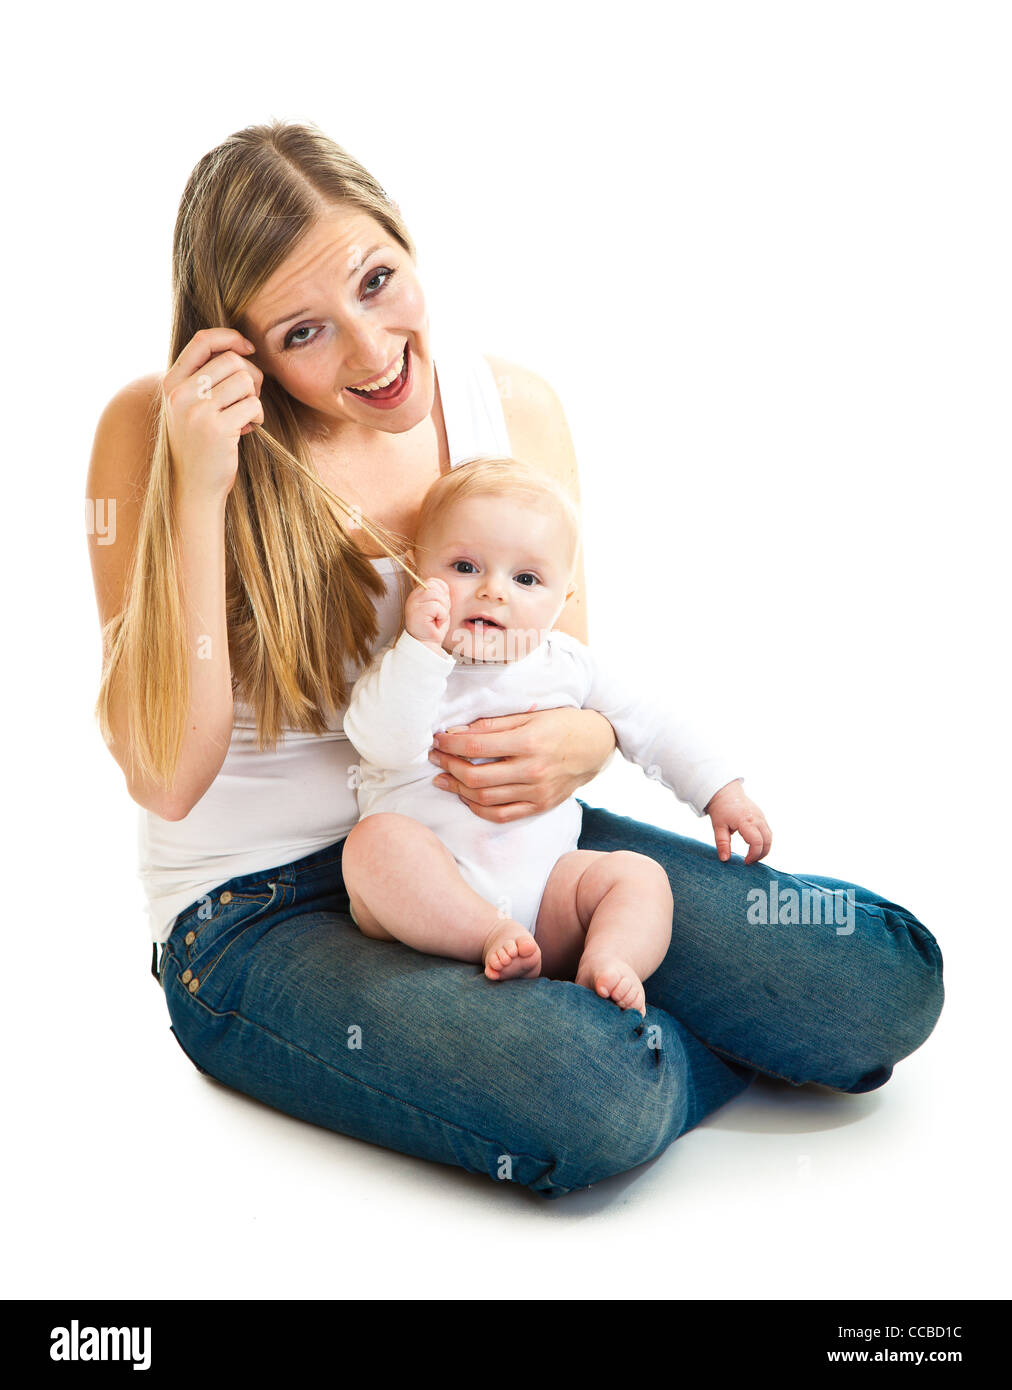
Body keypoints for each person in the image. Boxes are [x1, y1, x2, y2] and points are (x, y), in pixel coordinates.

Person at [86, 119, 944, 1199]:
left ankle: (610, 1026)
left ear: (403, 238)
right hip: (259, 914)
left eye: (377, 279)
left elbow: (565, 675)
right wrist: (203, 487)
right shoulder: (155, 432)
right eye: (302, 332)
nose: (369, 349)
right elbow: (166, 776)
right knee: (599, 1094)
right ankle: (628, 1048)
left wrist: (587, 743)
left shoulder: (513, 406)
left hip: (501, 849)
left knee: (881, 984)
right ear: (238, 350)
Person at [341, 456, 770, 1017]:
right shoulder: (408, 667)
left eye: (526, 579)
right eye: (465, 566)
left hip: (548, 897)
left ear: (563, 600)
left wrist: (720, 790)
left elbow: (654, 721)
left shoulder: (568, 665)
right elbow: (385, 744)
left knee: (638, 878)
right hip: (428, 896)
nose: (494, 592)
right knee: (374, 845)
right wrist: (422, 651)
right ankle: (484, 934)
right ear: (419, 572)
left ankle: (608, 960)